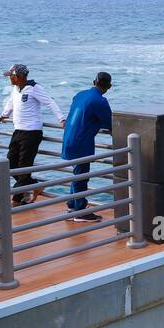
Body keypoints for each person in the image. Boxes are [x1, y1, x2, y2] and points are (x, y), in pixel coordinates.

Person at [0, 63, 64, 206]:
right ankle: (34, 185)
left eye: (11, 76)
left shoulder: (34, 88)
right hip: (18, 131)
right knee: (11, 164)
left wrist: (61, 119)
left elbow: (50, 103)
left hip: (32, 133)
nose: (9, 79)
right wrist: (4, 114)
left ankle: (15, 201)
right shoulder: (16, 89)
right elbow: (11, 103)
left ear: (18, 76)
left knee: (24, 167)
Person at [60, 72, 114, 221]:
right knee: (81, 177)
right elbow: (110, 123)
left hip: (69, 138)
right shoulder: (100, 101)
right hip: (81, 143)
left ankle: (72, 205)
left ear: (93, 82)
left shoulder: (80, 94)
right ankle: (80, 211)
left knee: (78, 174)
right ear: (109, 86)